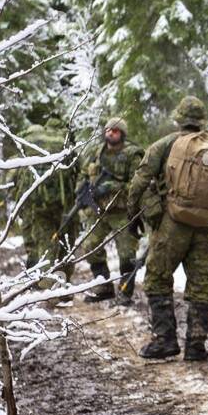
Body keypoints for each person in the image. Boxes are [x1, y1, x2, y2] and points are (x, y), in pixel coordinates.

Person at [130, 96, 208, 361]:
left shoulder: (165, 144)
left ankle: (165, 340)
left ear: (178, 118)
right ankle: (196, 344)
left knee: (157, 277)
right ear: (203, 120)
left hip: (173, 223)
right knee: (201, 284)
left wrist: (133, 215)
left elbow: (139, 181)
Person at [80, 116, 146, 304]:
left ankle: (125, 292)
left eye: (115, 131)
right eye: (108, 130)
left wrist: (112, 186)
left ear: (122, 134)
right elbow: (84, 175)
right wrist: (84, 193)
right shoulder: (95, 153)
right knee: (90, 247)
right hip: (99, 211)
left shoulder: (133, 154)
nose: (111, 133)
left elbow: (139, 184)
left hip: (123, 213)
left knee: (126, 254)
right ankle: (103, 287)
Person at [16, 117, 77, 291]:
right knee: (67, 244)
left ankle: (45, 287)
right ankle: (63, 287)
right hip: (65, 204)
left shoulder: (33, 137)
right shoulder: (66, 139)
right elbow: (77, 168)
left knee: (45, 244)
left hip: (37, 202)